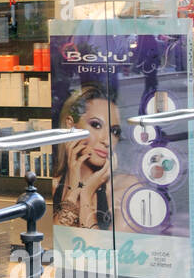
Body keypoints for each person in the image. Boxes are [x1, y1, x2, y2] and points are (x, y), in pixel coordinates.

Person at [52, 83, 141, 231]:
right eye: (96, 125)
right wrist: (73, 192)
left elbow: (101, 251)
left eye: (115, 131)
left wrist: (86, 194)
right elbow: (52, 242)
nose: (107, 140)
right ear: (71, 126)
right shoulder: (53, 187)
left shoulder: (126, 190)